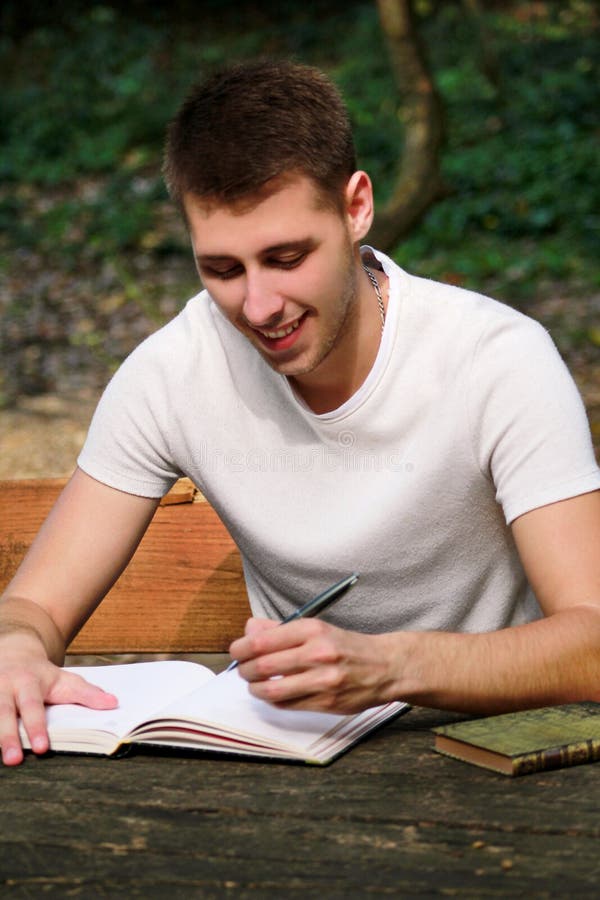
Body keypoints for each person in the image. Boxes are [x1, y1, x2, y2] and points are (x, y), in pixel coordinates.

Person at [1, 59, 599, 767]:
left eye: (286, 258)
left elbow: (592, 640)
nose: (258, 308)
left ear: (355, 209)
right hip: (272, 766)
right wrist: (15, 651)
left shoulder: (496, 359)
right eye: (222, 269)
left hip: (486, 762)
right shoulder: (173, 372)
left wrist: (390, 667)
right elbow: (34, 608)